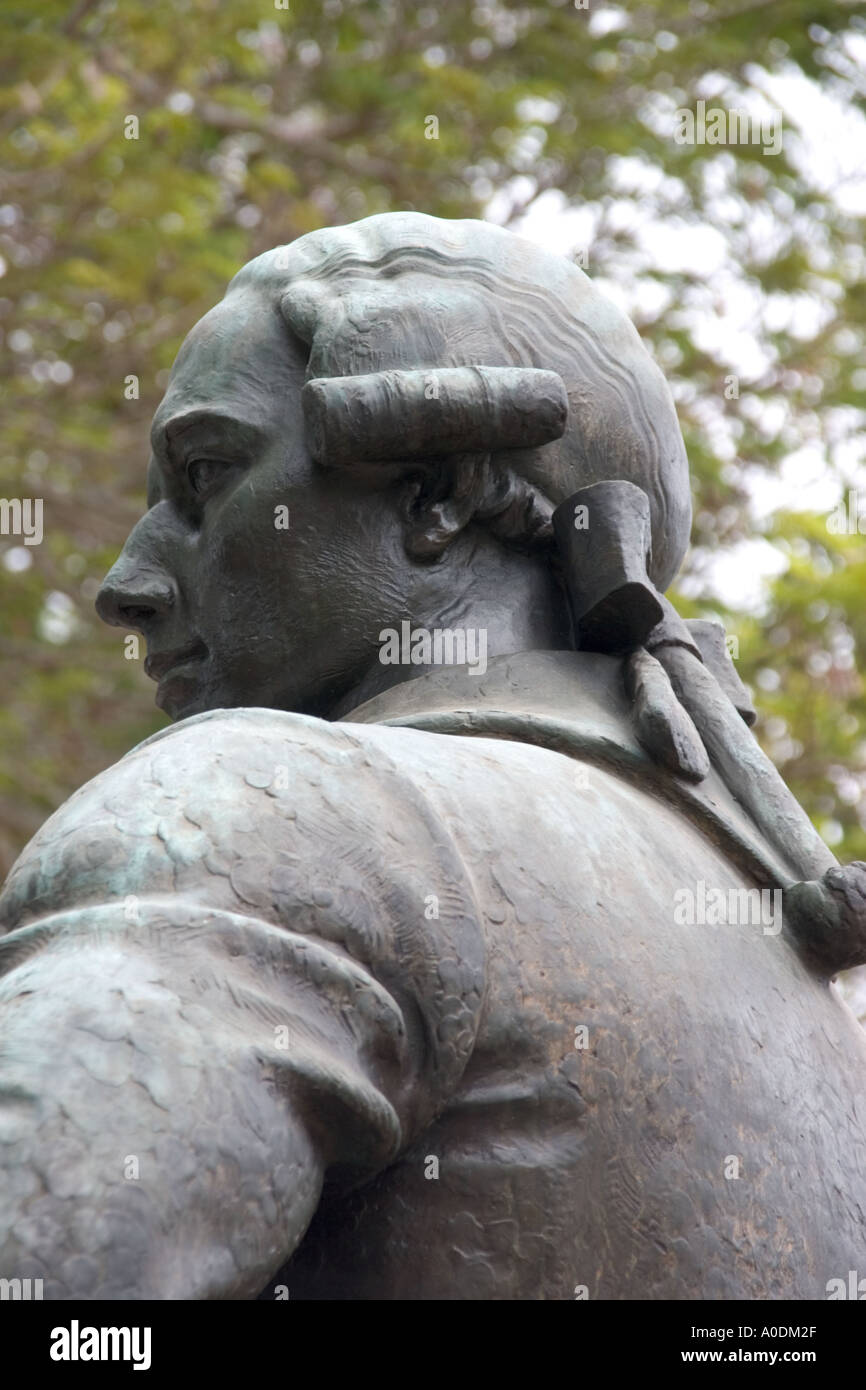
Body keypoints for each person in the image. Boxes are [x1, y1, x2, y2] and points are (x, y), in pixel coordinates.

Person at [1, 213, 864, 1300]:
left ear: (437, 493)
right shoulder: (830, 1004)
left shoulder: (275, 814)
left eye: (206, 475)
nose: (127, 583)